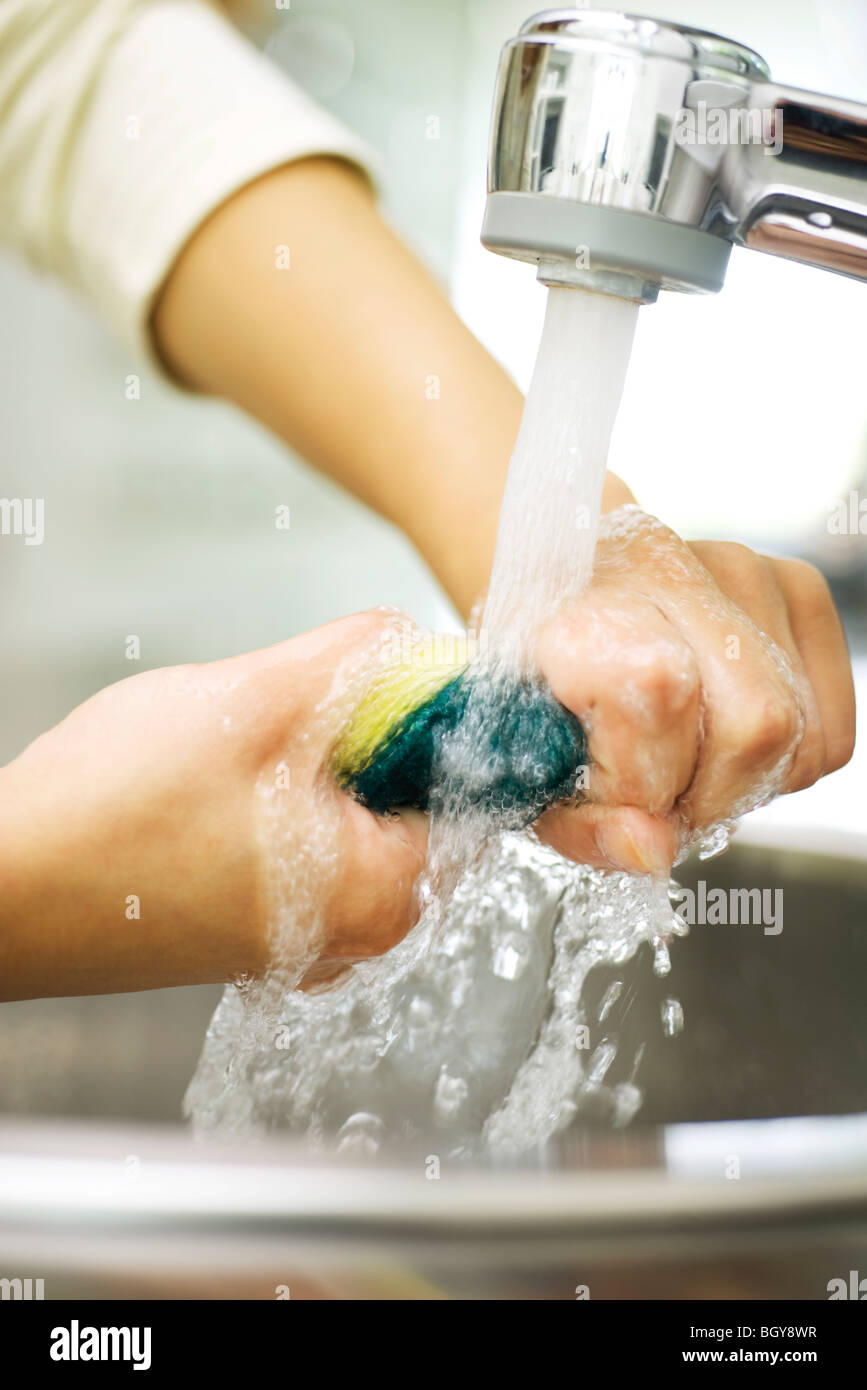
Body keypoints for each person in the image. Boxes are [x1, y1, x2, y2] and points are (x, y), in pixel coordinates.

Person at [0, 0, 854, 1001]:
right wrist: (40, 876)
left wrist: (579, 568)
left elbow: (85, 64)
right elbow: (57, 46)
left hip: (356, 746)